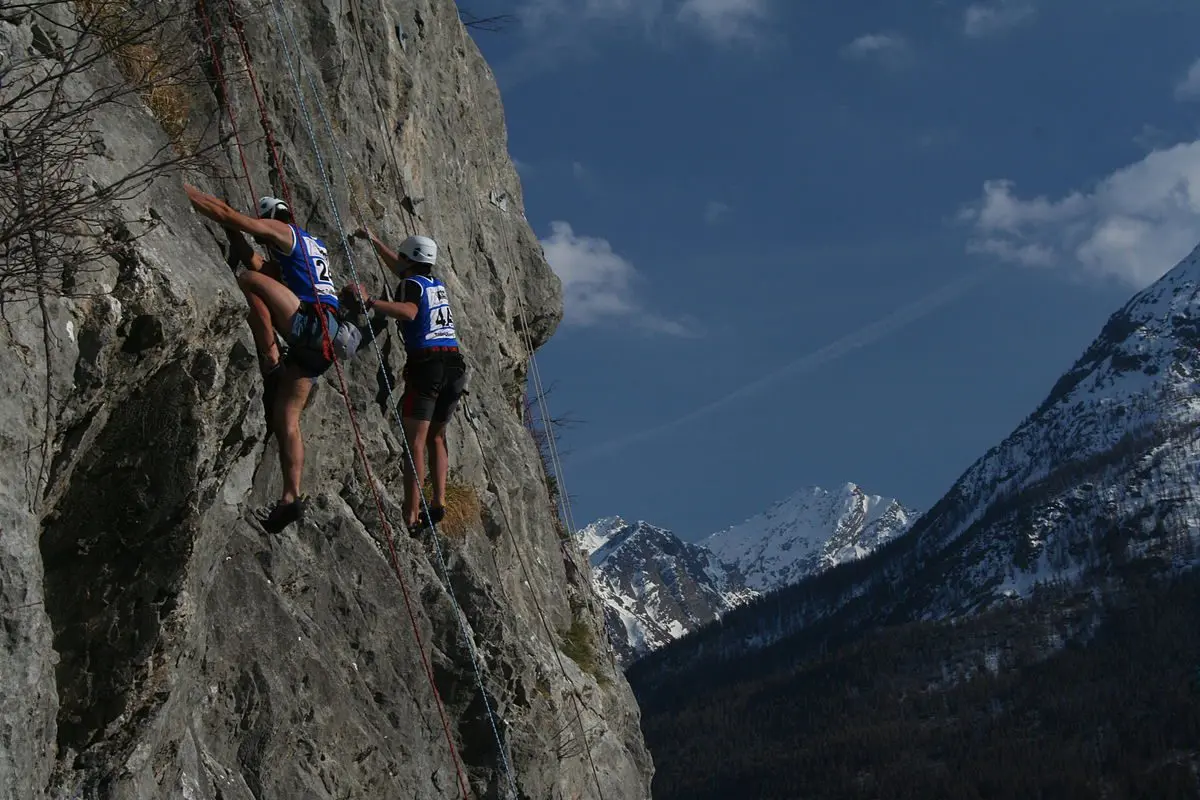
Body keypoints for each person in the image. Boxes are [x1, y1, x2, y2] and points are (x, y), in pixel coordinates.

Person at [185, 184, 349, 533]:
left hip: (312, 324)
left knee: (246, 281)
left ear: (272, 218)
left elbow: (242, 239)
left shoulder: (285, 232)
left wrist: (183, 190)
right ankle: (290, 496)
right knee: (286, 420)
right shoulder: (308, 251)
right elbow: (256, 259)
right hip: (326, 343)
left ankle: (271, 359)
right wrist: (232, 232)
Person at [353, 227, 467, 532]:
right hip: (455, 366)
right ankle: (439, 501)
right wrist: (376, 243)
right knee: (437, 437)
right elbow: (403, 269)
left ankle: (412, 513)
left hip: (428, 365)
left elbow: (408, 311)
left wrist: (370, 302)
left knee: (414, 442)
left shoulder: (410, 287)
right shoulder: (434, 283)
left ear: (409, 259)